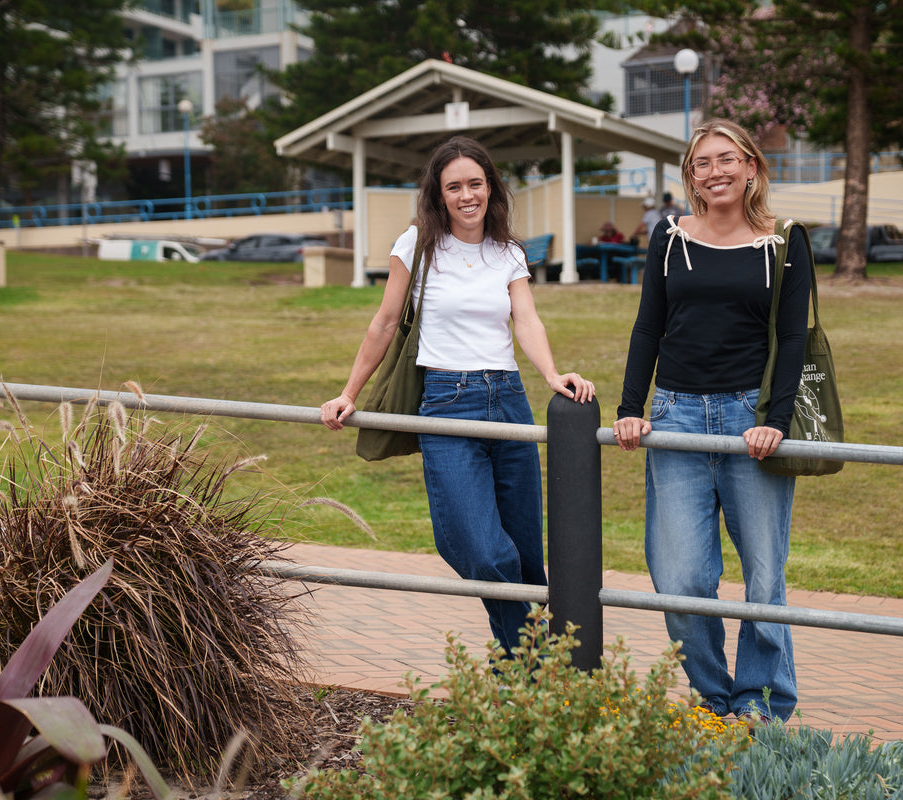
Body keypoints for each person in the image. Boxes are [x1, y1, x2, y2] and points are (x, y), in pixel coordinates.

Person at [320, 135, 595, 653]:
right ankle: (536, 659)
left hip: (509, 400)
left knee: (525, 555)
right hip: (447, 401)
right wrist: (349, 392)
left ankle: (520, 671)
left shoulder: (508, 252)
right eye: (454, 187)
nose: (467, 196)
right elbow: (384, 323)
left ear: (490, 187)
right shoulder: (417, 245)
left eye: (475, 183)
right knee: (485, 551)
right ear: (438, 193)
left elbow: (526, 320)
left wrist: (552, 375)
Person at [611, 118, 811, 722]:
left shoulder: (785, 241)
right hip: (675, 417)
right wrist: (630, 407)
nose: (715, 171)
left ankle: (761, 706)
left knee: (763, 578)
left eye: (727, 159)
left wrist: (776, 419)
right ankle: (713, 700)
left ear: (751, 166)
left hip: (751, 420)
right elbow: (648, 325)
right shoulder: (669, 236)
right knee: (679, 579)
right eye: (702, 163)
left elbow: (793, 336)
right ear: (691, 177)